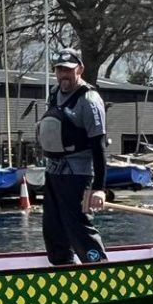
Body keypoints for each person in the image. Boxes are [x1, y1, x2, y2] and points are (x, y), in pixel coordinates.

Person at [36, 48, 108, 265]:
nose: (62, 75)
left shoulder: (89, 100)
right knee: (52, 226)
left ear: (80, 70)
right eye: (59, 70)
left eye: (68, 70)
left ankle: (97, 265)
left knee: (77, 225)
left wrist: (99, 189)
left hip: (77, 175)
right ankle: (62, 265)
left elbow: (99, 146)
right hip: (53, 172)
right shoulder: (53, 92)